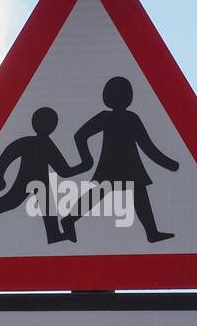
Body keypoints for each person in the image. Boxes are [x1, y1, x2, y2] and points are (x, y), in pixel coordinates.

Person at [60, 76, 179, 243]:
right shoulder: (124, 118)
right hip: (117, 166)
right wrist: (170, 164)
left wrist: (170, 164)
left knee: (137, 195)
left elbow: (147, 146)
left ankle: (152, 232)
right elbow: (80, 135)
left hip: (124, 166)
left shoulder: (124, 118)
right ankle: (68, 220)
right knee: (104, 195)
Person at [0, 107, 84, 243]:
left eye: (51, 124)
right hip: (27, 179)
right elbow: (7, 156)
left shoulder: (45, 143)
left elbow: (63, 170)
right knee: (12, 201)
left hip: (41, 181)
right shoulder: (32, 142)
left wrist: (84, 166)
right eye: (48, 123)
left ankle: (53, 234)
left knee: (47, 205)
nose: (49, 127)